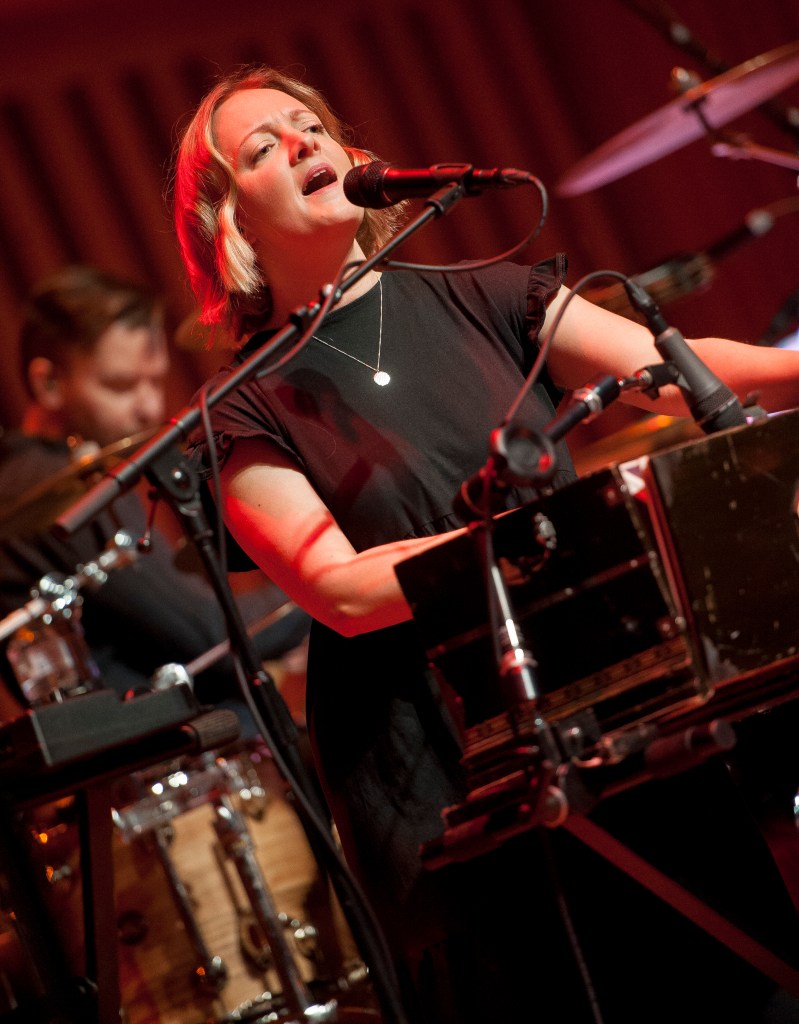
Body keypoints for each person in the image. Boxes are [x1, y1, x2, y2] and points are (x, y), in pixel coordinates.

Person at [172, 66, 799, 1024]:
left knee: (734, 974)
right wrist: (525, 538)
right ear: (230, 226)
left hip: (601, 690)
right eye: (265, 146)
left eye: (311, 125)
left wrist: (791, 366)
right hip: (438, 750)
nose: (302, 142)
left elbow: (669, 371)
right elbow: (338, 589)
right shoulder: (240, 411)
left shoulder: (483, 292)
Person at [0, 264, 311, 714]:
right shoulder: (49, 489)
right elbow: (212, 635)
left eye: (156, 380)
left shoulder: (36, 475)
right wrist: (330, 576)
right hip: (170, 759)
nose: (150, 407)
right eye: (122, 385)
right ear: (49, 382)